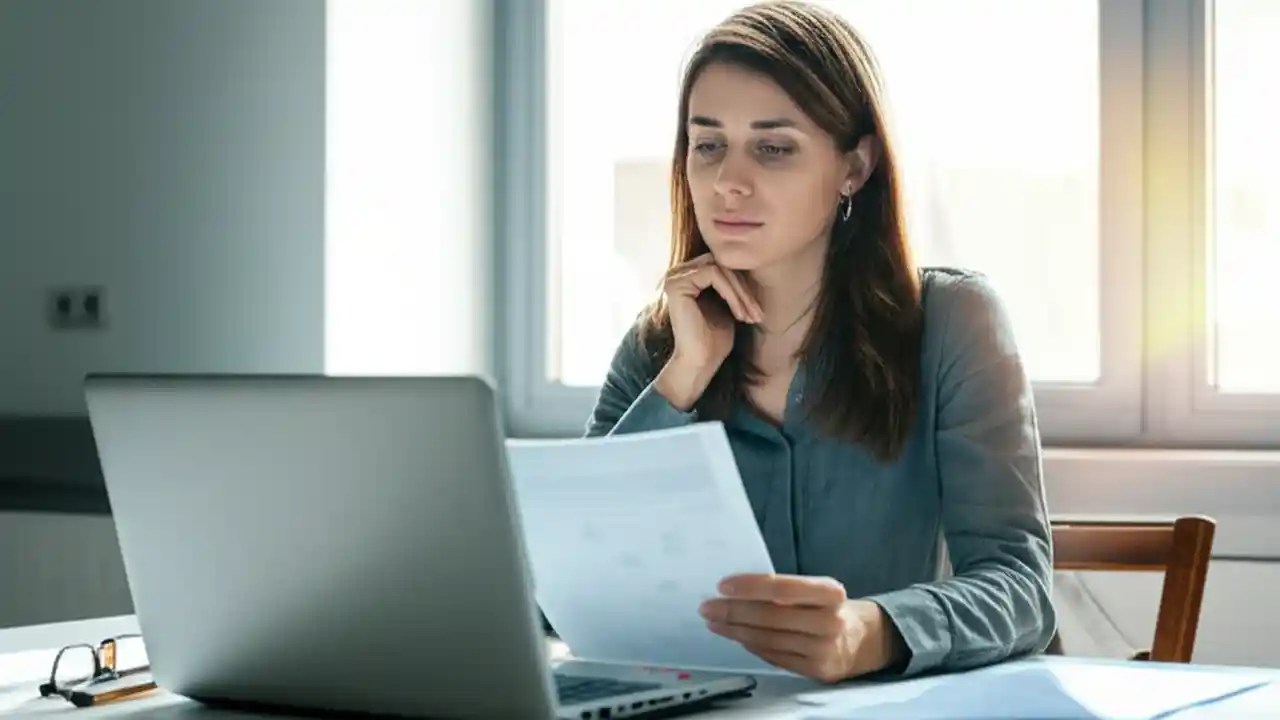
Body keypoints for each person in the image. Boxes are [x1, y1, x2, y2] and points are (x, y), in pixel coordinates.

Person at [585, 1, 1056, 684]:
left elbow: (1021, 590)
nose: (727, 182)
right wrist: (683, 376)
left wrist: (873, 630)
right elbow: (572, 578)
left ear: (854, 167)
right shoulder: (660, 344)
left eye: (773, 148)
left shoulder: (953, 321)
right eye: (707, 144)